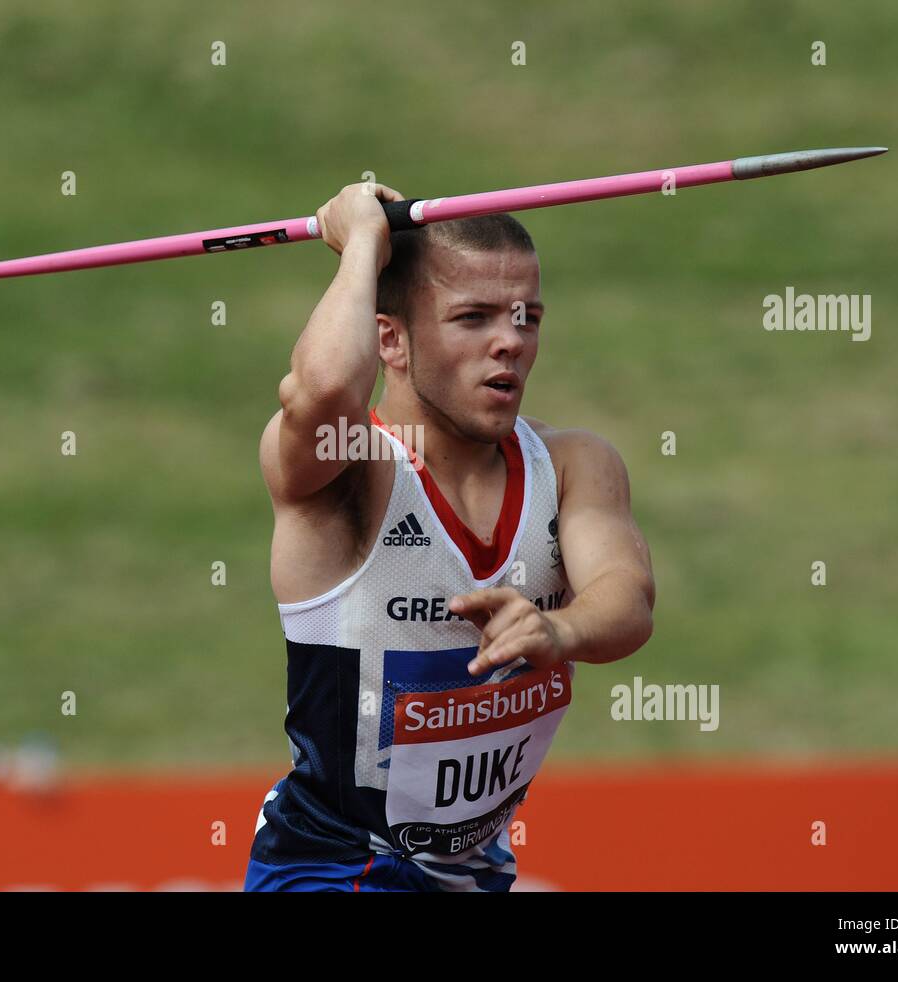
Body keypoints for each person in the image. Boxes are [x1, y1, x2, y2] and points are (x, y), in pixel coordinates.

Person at [245, 183, 656, 892]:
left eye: (527, 316)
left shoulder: (573, 465)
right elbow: (323, 392)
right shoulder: (351, 467)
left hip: (473, 874)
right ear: (391, 339)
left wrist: (561, 631)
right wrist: (364, 245)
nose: (511, 341)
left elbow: (627, 602)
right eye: (473, 318)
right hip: (335, 870)